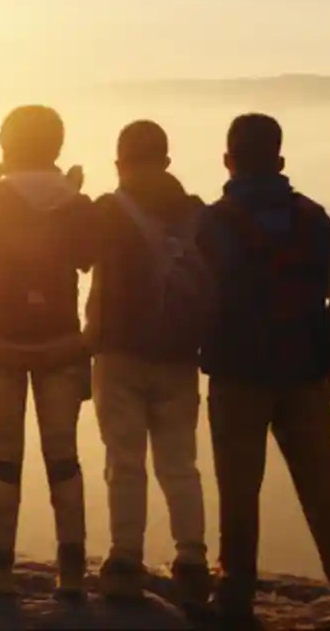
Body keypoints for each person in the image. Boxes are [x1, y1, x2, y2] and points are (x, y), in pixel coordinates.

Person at [197, 114, 330, 628]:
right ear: (280, 161)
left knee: (238, 491)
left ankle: (234, 600)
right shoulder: (314, 218)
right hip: (303, 373)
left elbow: (200, 295)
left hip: (237, 375)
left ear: (228, 161)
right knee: (324, 492)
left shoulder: (213, 223)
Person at [0, 106, 93, 598]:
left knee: (4, 456)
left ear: (8, 144)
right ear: (56, 146)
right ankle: (73, 570)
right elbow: (85, 259)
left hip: (0, 340)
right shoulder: (75, 201)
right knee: (64, 457)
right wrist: (75, 194)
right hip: (60, 340)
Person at [83, 120, 212, 607]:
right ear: (167, 161)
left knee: (125, 460)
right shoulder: (198, 213)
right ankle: (193, 560)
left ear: (120, 163)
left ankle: (124, 558)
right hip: (180, 356)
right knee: (180, 463)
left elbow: (79, 259)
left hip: (118, 354)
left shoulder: (108, 209)